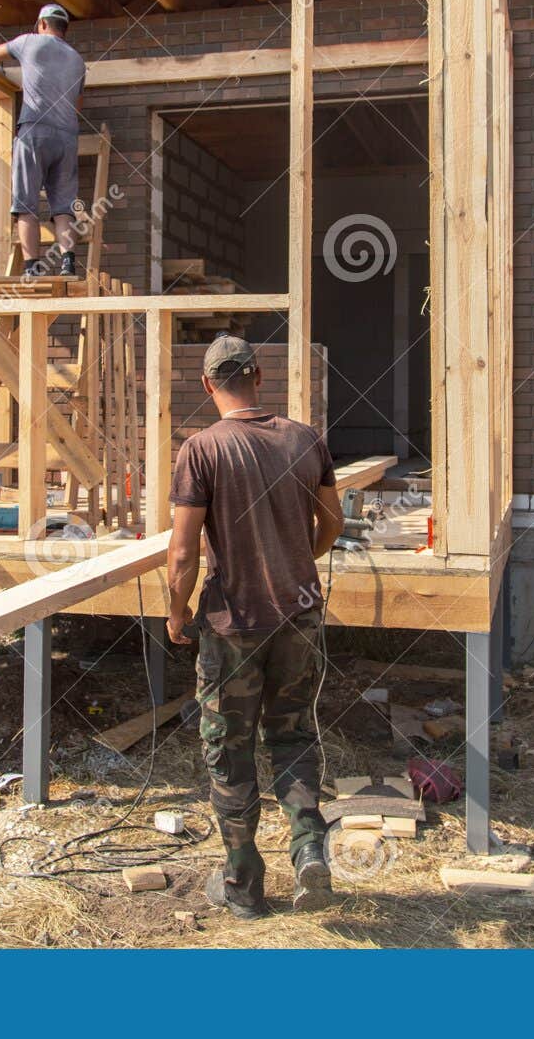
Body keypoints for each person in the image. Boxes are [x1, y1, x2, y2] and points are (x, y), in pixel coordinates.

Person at [165, 335, 346, 918]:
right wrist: (299, 560)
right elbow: (333, 521)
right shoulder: (306, 438)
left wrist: (177, 611)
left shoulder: (201, 448)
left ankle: (244, 885)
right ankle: (309, 849)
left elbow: (182, 552)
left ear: (208, 385)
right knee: (293, 735)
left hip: (233, 623)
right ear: (260, 377)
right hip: (299, 616)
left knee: (230, 748)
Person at [0, 4, 86, 277]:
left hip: (35, 131)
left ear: (41, 23)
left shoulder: (28, 42)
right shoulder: (77, 60)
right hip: (66, 137)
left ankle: (32, 269)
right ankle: (68, 263)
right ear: (65, 29)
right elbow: (78, 103)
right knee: (64, 206)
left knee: (26, 204)